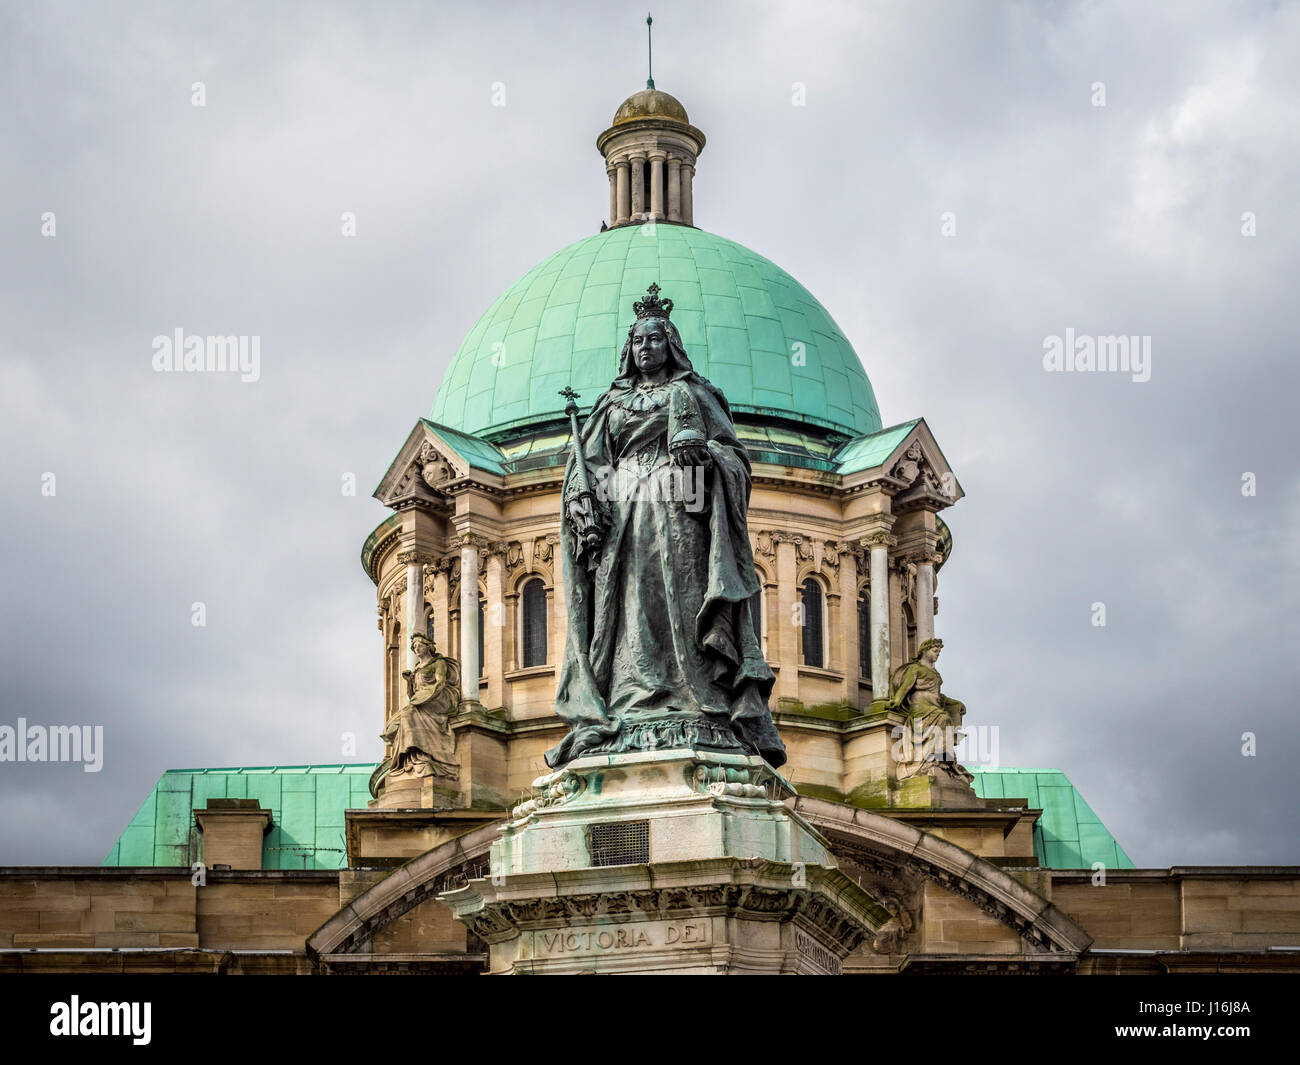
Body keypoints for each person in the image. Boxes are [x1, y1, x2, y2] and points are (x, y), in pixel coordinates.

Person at [545, 284, 786, 769]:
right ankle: (631, 694)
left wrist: (704, 456)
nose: (646, 348)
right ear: (629, 350)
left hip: (681, 512)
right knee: (629, 603)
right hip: (624, 513)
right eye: (638, 341)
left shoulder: (692, 394)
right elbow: (586, 467)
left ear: (670, 344)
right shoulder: (610, 405)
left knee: (679, 596)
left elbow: (735, 457)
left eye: (655, 340)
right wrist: (581, 498)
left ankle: (695, 698)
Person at [381, 633, 461, 780]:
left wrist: (428, 697)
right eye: (414, 647)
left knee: (408, 715)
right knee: (392, 724)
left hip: (438, 698)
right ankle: (411, 758)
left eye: (420, 646)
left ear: (428, 647)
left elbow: (440, 682)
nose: (417, 649)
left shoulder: (438, 663)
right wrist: (409, 682)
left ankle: (419, 757)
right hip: (421, 701)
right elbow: (412, 695)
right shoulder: (417, 668)